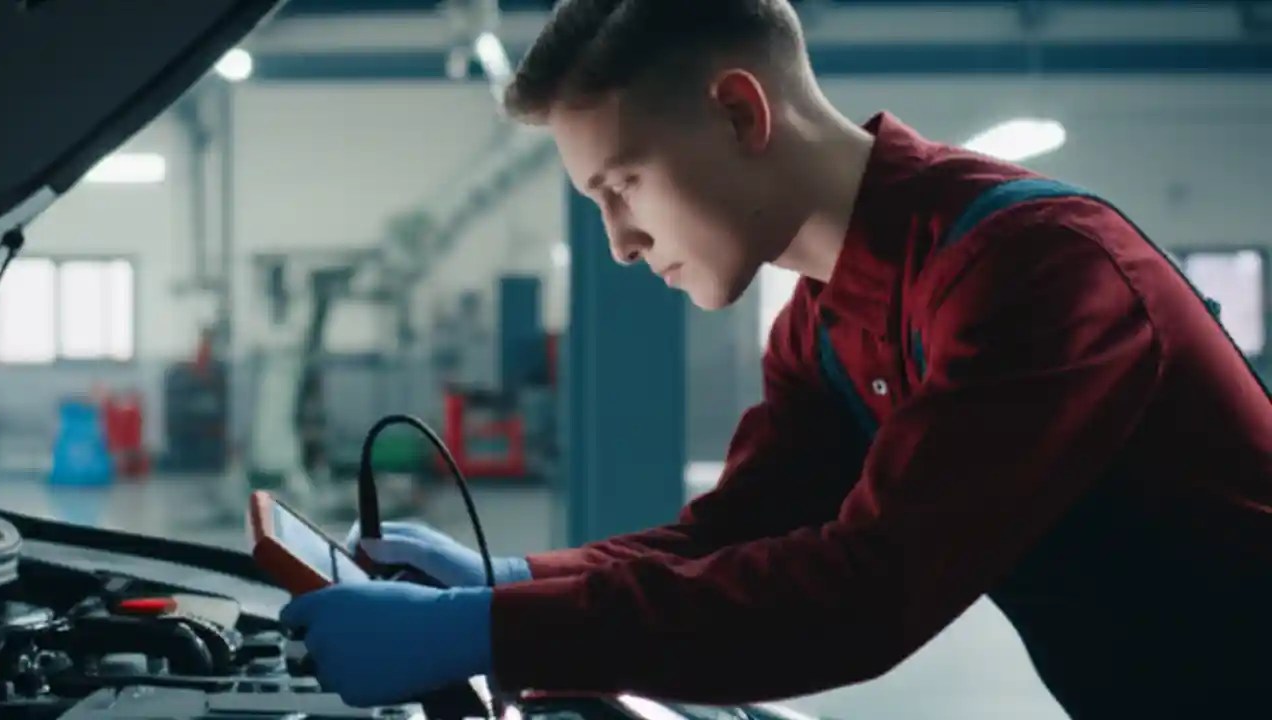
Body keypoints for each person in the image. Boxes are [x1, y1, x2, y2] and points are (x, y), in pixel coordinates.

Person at [278, 1, 1272, 716]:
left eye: (622, 183)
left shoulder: (1036, 270)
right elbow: (729, 539)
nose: (620, 242)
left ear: (739, 113)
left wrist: (490, 632)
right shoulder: (821, 325)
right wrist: (507, 581)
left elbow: (863, 593)